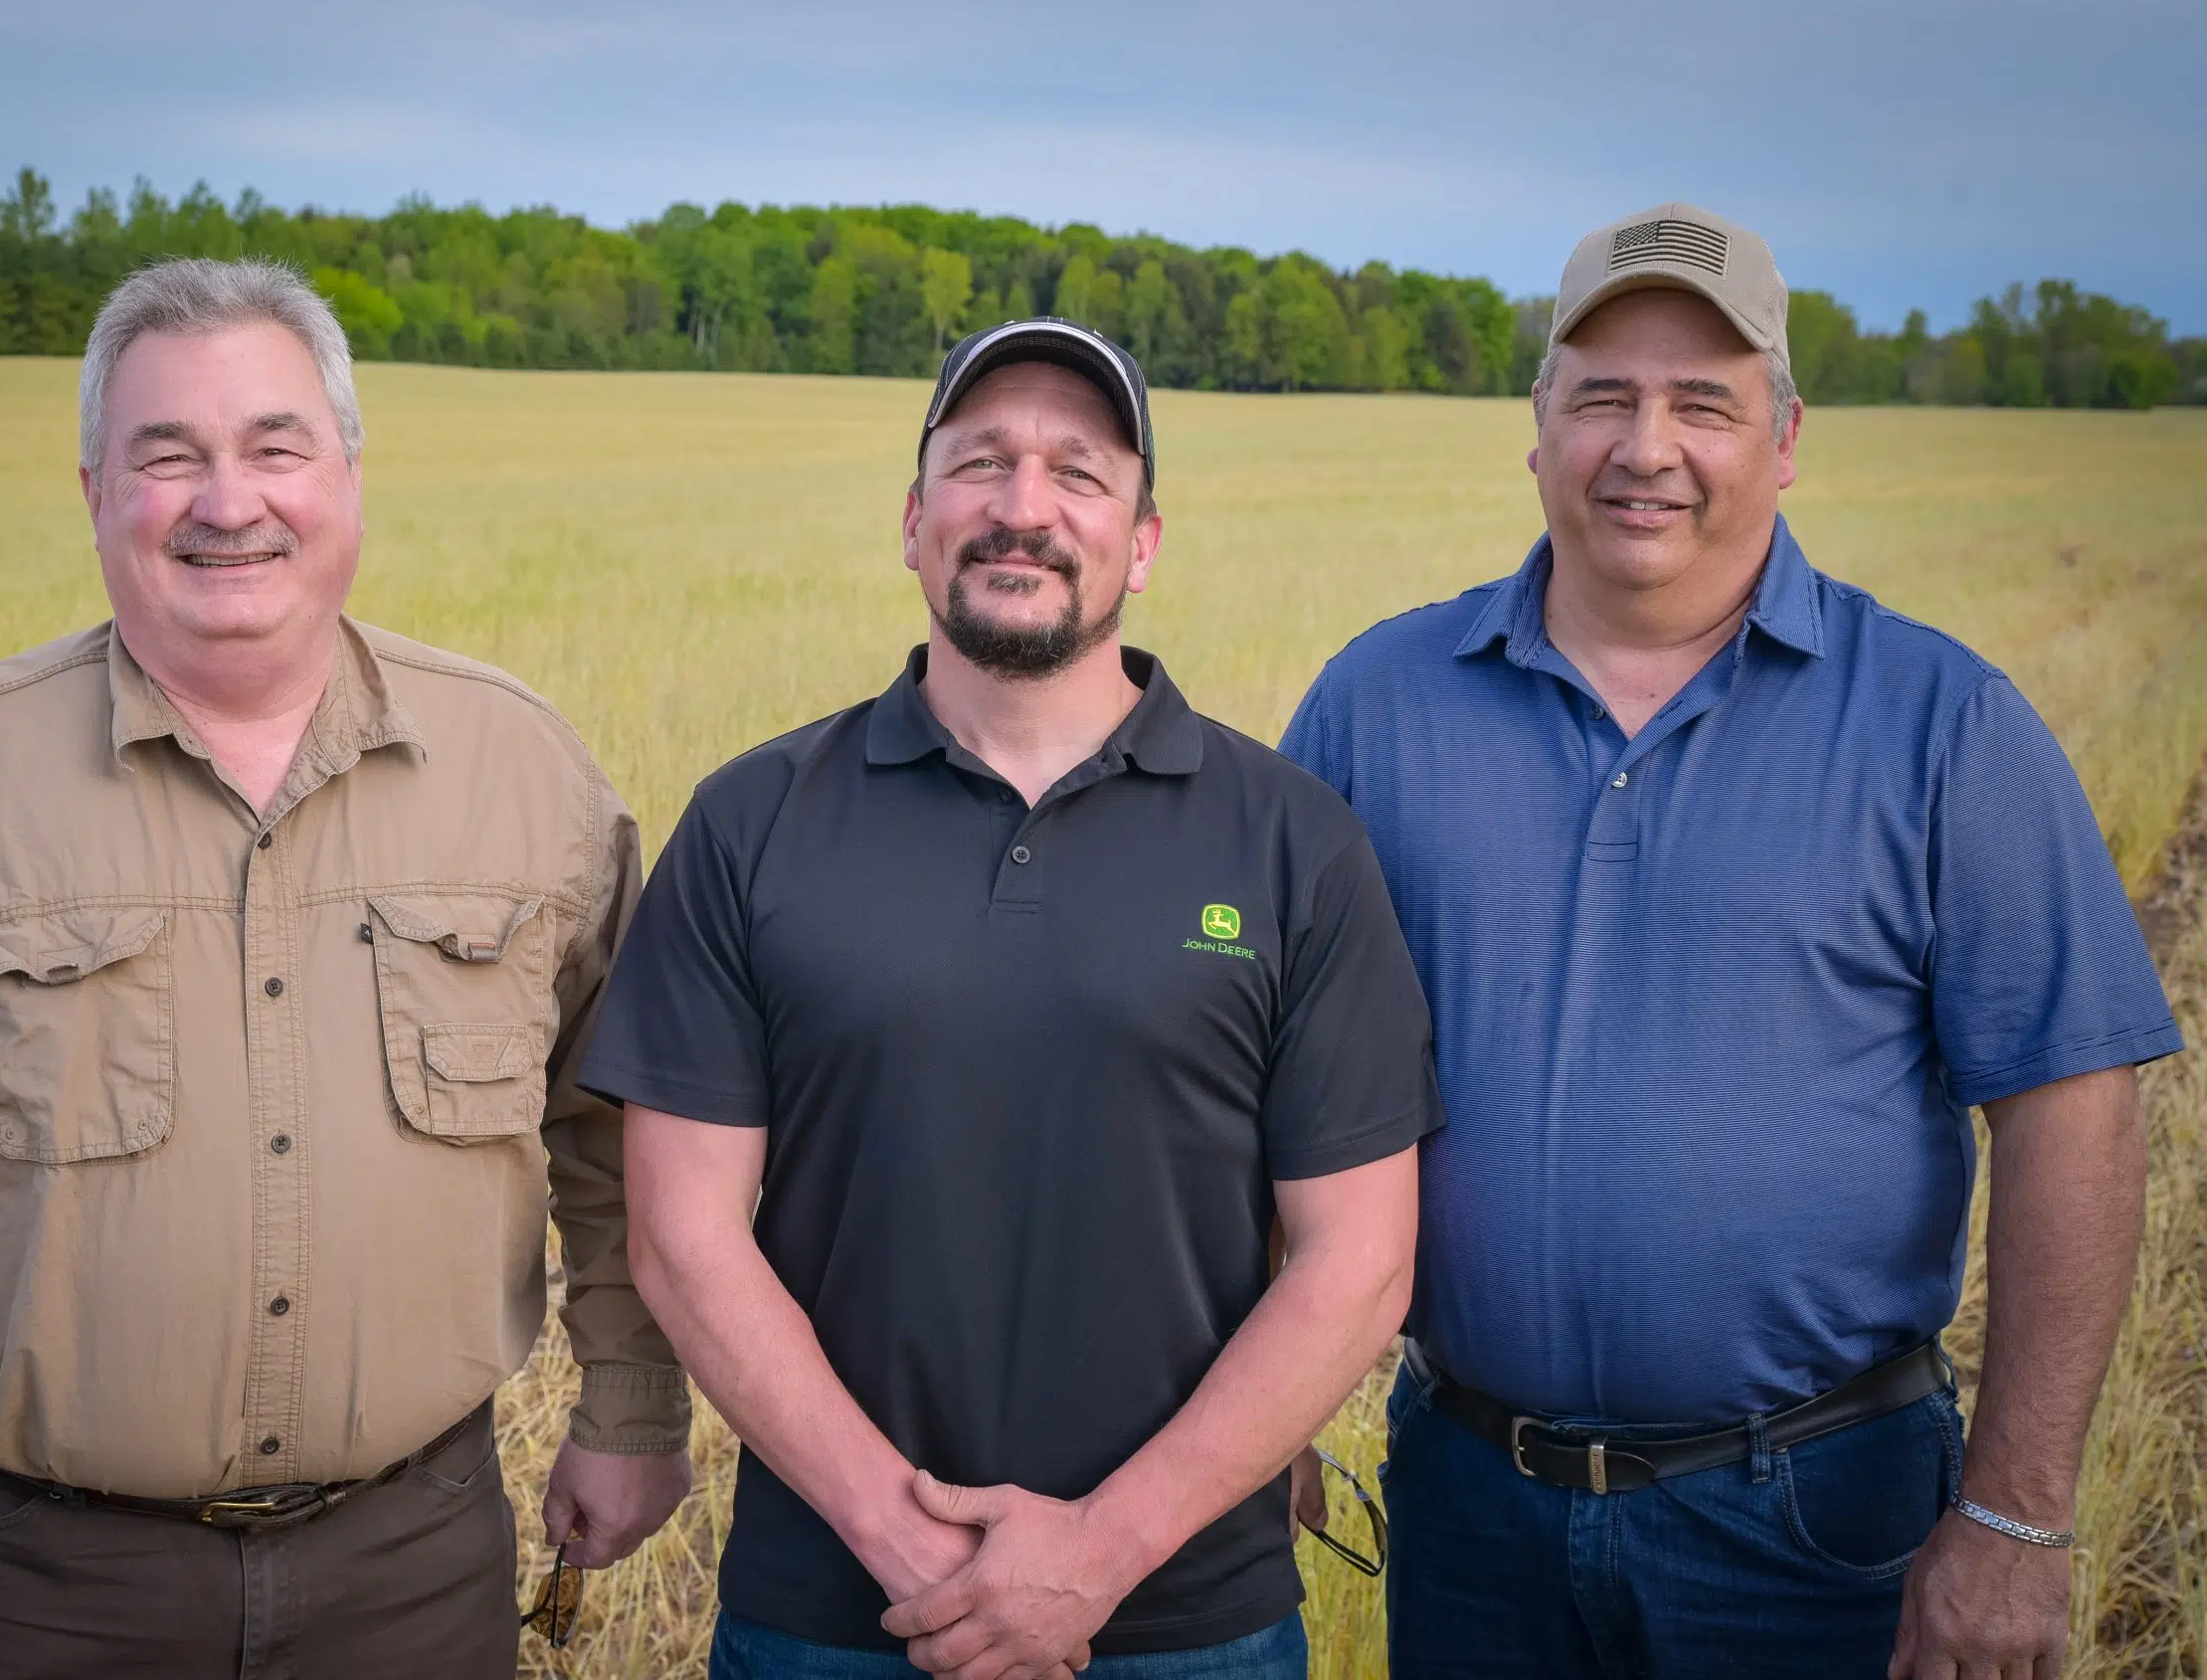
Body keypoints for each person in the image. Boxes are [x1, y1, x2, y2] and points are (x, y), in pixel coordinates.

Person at [0, 259, 692, 1680]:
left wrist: (633, 1407)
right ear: (93, 489)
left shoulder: (529, 778)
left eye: (277, 446)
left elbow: (614, 1136)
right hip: (24, 1590)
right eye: (168, 456)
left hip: (411, 1572)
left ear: (348, 474)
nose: (229, 502)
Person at [1281, 202, 2183, 1678]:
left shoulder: (1939, 724)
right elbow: (1256, 1062)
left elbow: (2073, 1101)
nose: (1648, 448)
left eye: (1704, 401)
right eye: (1604, 398)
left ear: (1784, 434)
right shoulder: (1382, 705)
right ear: (1537, 428)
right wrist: (1247, 1419)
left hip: (1822, 1516)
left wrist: (2018, 1518)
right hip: (1471, 1502)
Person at [583, 316, 1440, 1680]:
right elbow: (682, 1235)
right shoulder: (754, 823)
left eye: (1078, 474)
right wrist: (913, 1552)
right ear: (915, 518)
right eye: (980, 466)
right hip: (830, 1619)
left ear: (1144, 540)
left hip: (1191, 1627)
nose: (1022, 509)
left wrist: (1099, 1554)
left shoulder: (1293, 844)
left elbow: (1360, 1263)